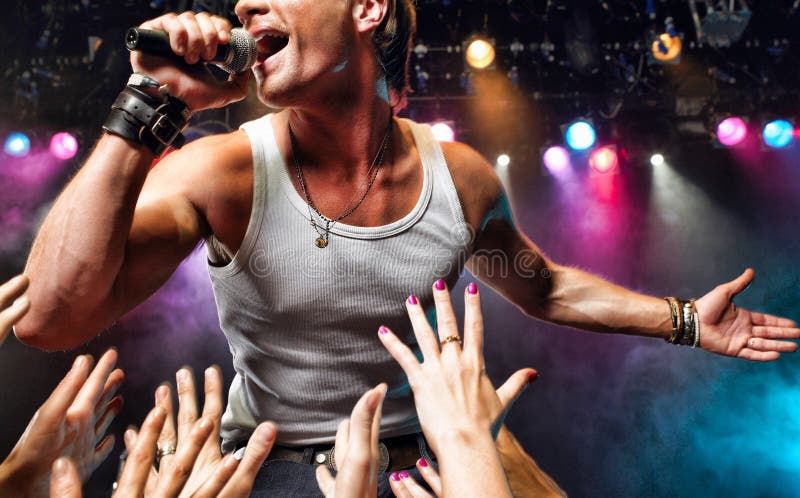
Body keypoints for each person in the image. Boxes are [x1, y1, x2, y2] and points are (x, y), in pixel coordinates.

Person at [15, 0, 799, 494]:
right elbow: (53, 317)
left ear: (366, 8)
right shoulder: (219, 172)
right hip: (271, 460)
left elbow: (547, 287)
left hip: (426, 451)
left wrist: (687, 320)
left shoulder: (456, 179)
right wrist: (148, 104)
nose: (246, 5)